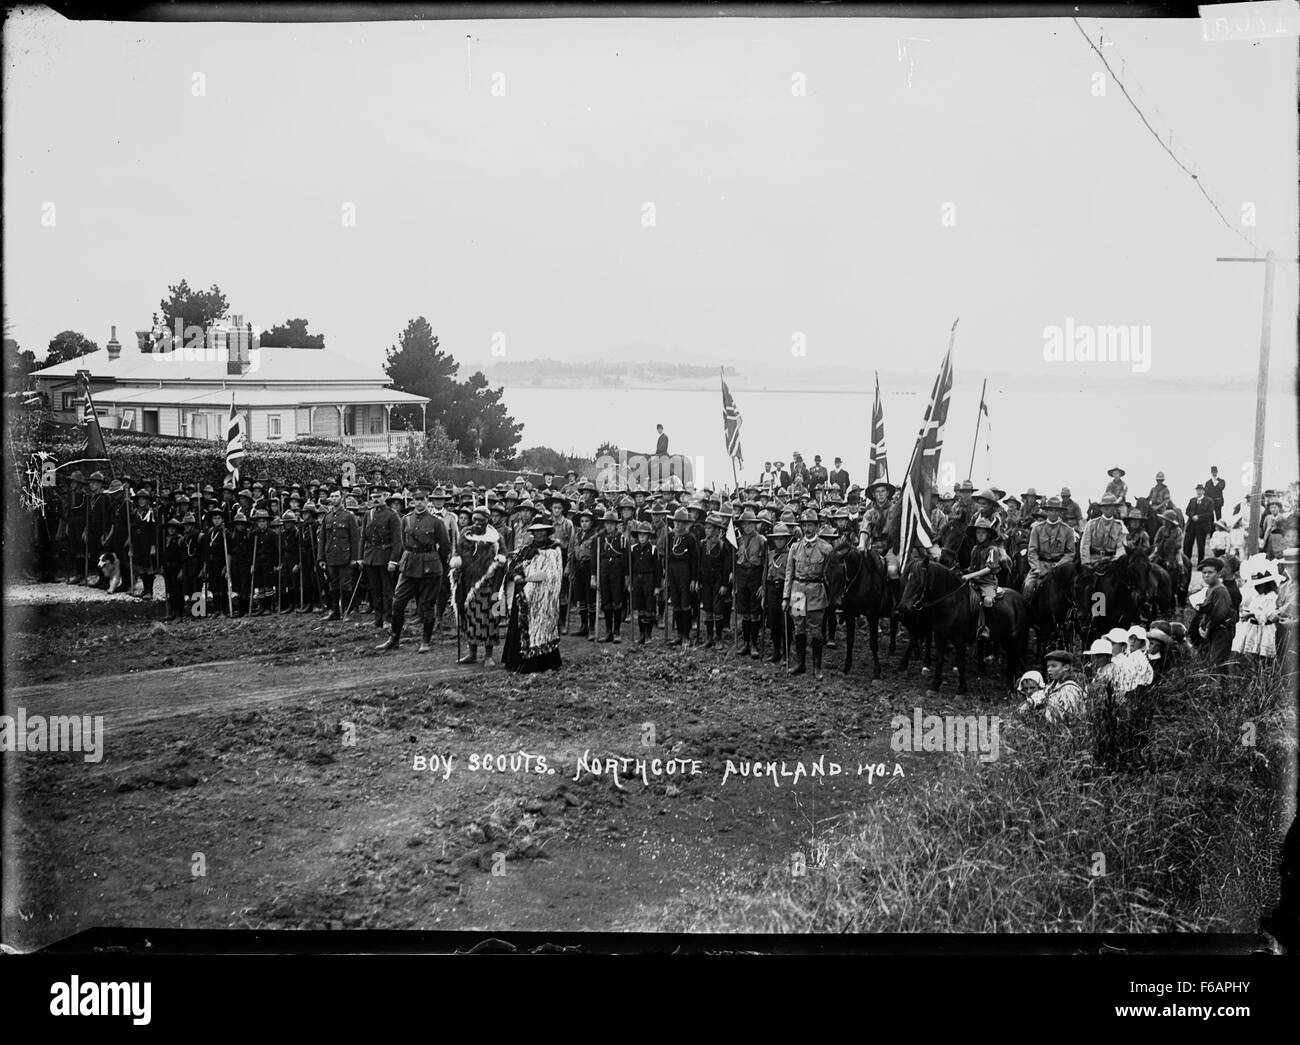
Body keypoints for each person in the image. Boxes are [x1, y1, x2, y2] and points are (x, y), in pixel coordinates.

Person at [377, 488, 451, 654]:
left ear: (427, 501)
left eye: (422, 499)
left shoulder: (436, 522)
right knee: (398, 602)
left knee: (427, 605)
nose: (419, 502)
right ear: (412, 501)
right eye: (416, 499)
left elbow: (445, 547)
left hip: (430, 567)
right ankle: (394, 639)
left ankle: (425, 641)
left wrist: (442, 565)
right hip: (409, 565)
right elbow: (403, 543)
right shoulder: (406, 519)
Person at [502, 520, 564, 673]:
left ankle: (540, 661)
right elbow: (512, 567)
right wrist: (516, 576)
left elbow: (552, 574)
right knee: (520, 625)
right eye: (536, 531)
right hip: (523, 595)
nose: (539, 534)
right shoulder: (525, 549)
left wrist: (530, 582)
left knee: (542, 628)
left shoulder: (554, 551)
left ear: (548, 532)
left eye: (543, 531)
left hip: (542, 597)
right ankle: (518, 660)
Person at [452, 506, 506, 666]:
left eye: (480, 521)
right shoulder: (465, 534)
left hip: (489, 584)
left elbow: (503, 556)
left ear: (487, 521)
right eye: (474, 520)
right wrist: (456, 564)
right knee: (468, 617)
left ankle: (488, 655)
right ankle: (472, 653)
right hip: (468, 583)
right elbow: (457, 552)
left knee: (489, 618)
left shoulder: (496, 538)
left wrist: (499, 561)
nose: (476, 523)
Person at [783, 507, 833, 679]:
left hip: (816, 593)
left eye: (811, 525)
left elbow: (831, 575)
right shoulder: (795, 548)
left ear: (817, 527)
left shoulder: (826, 548)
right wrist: (785, 597)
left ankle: (817, 667)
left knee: (816, 631)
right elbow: (789, 573)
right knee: (798, 627)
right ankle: (800, 663)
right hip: (797, 593)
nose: (807, 528)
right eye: (805, 525)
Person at [361, 489, 403, 630]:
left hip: (385, 557)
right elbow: (363, 537)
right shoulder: (368, 514)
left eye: (378, 496)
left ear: (385, 497)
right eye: (373, 497)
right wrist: (361, 557)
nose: (375, 499)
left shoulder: (392, 515)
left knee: (387, 591)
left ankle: (387, 619)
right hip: (370, 557)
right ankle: (377, 619)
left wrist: (393, 560)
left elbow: (398, 541)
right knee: (374, 590)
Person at [1023, 496, 1076, 605]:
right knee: (1028, 587)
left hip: (1060, 566)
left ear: (1060, 512)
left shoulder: (1067, 530)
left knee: (1074, 589)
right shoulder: (1037, 529)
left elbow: (1070, 553)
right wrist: (1036, 568)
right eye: (1051, 510)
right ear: (1046, 511)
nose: (1053, 513)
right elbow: (1032, 551)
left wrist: (1059, 565)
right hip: (1041, 566)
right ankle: (1027, 617)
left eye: (1056, 511)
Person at [964, 517, 1009, 640]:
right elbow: (971, 567)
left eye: (983, 533)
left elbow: (989, 569)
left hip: (987, 582)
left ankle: (986, 627)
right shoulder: (974, 549)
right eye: (978, 533)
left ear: (988, 534)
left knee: (988, 601)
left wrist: (970, 575)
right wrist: (964, 572)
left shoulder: (993, 549)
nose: (980, 535)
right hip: (973, 581)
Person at [318, 490, 361, 621]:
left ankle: (347, 612)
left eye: (336, 496)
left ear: (341, 498)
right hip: (331, 556)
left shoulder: (349, 516)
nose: (333, 498)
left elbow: (355, 539)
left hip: (345, 556)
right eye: (332, 496)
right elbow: (322, 539)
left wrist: (354, 558)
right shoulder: (327, 517)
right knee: (333, 585)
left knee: (345, 585)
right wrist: (321, 558)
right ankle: (334, 611)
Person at [1232, 554, 1280, 666]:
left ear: (1267, 584)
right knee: (1252, 653)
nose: (1256, 588)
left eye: (1259, 585)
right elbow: (1253, 608)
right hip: (1254, 629)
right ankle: (1254, 672)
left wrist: (1252, 614)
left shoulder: (1271, 597)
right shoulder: (1258, 596)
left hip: (1265, 630)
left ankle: (1264, 674)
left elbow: (1266, 615)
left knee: (1264, 655)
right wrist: (1249, 613)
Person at [665, 507, 700, 646]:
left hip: (685, 572)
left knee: (686, 604)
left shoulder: (690, 538)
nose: (678, 525)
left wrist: (694, 579)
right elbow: (667, 557)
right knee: (676, 604)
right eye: (676, 522)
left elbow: (695, 560)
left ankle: (686, 635)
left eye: (681, 522)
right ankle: (679, 635)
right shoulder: (670, 537)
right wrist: (666, 574)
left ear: (686, 524)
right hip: (673, 571)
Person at [1193, 557, 1236, 667]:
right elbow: (1208, 610)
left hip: (1222, 630)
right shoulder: (1210, 589)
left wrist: (1207, 629)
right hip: (1215, 630)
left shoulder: (1220, 590)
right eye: (1204, 573)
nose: (1206, 575)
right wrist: (1202, 625)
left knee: (1217, 663)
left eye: (1210, 572)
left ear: (1218, 573)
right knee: (1214, 660)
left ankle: (1221, 683)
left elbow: (1219, 615)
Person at [628, 520, 661, 644]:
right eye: (640, 535)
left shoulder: (653, 549)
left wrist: (657, 586)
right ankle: (641, 634)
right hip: (637, 579)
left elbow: (658, 570)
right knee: (640, 607)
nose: (642, 537)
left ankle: (648, 635)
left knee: (649, 607)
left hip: (649, 580)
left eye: (645, 535)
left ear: (648, 537)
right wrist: (630, 582)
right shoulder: (633, 549)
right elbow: (630, 568)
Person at [1183, 484, 1214, 562]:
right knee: (1187, 545)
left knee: (1201, 546)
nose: (1199, 491)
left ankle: (1200, 563)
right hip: (1191, 526)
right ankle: (1187, 562)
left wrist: (1199, 517)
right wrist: (1192, 516)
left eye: (1200, 490)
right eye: (1197, 490)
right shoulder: (1192, 500)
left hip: (1202, 527)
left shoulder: (1209, 501)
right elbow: (1187, 511)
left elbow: (1209, 513)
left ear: (1203, 491)